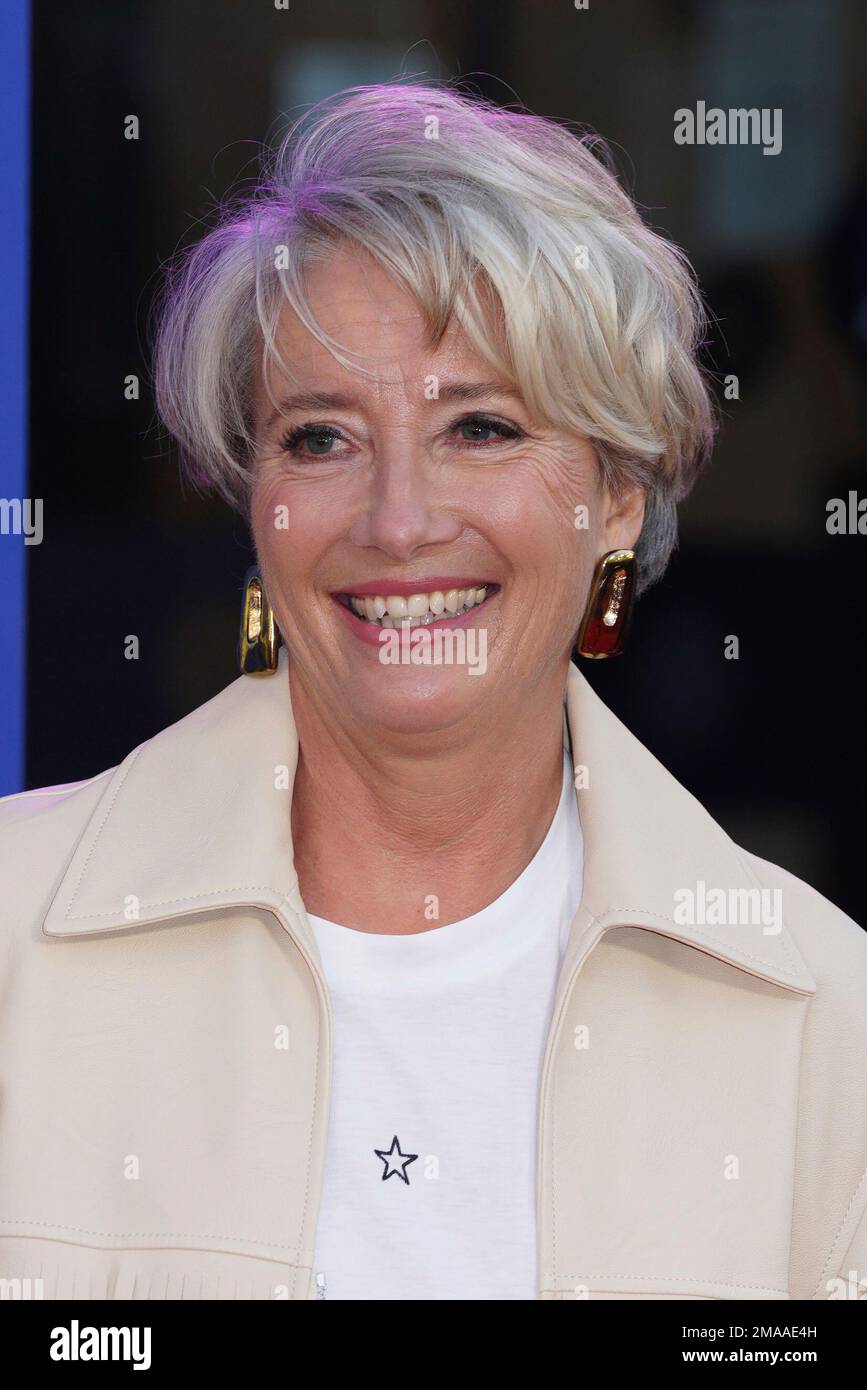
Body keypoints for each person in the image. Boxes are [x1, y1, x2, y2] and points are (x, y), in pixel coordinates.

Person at [1, 83, 865, 1302]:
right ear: (255, 498)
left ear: (617, 494)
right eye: (321, 437)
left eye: (484, 429)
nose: (401, 521)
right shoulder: (13, 937)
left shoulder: (827, 1019)